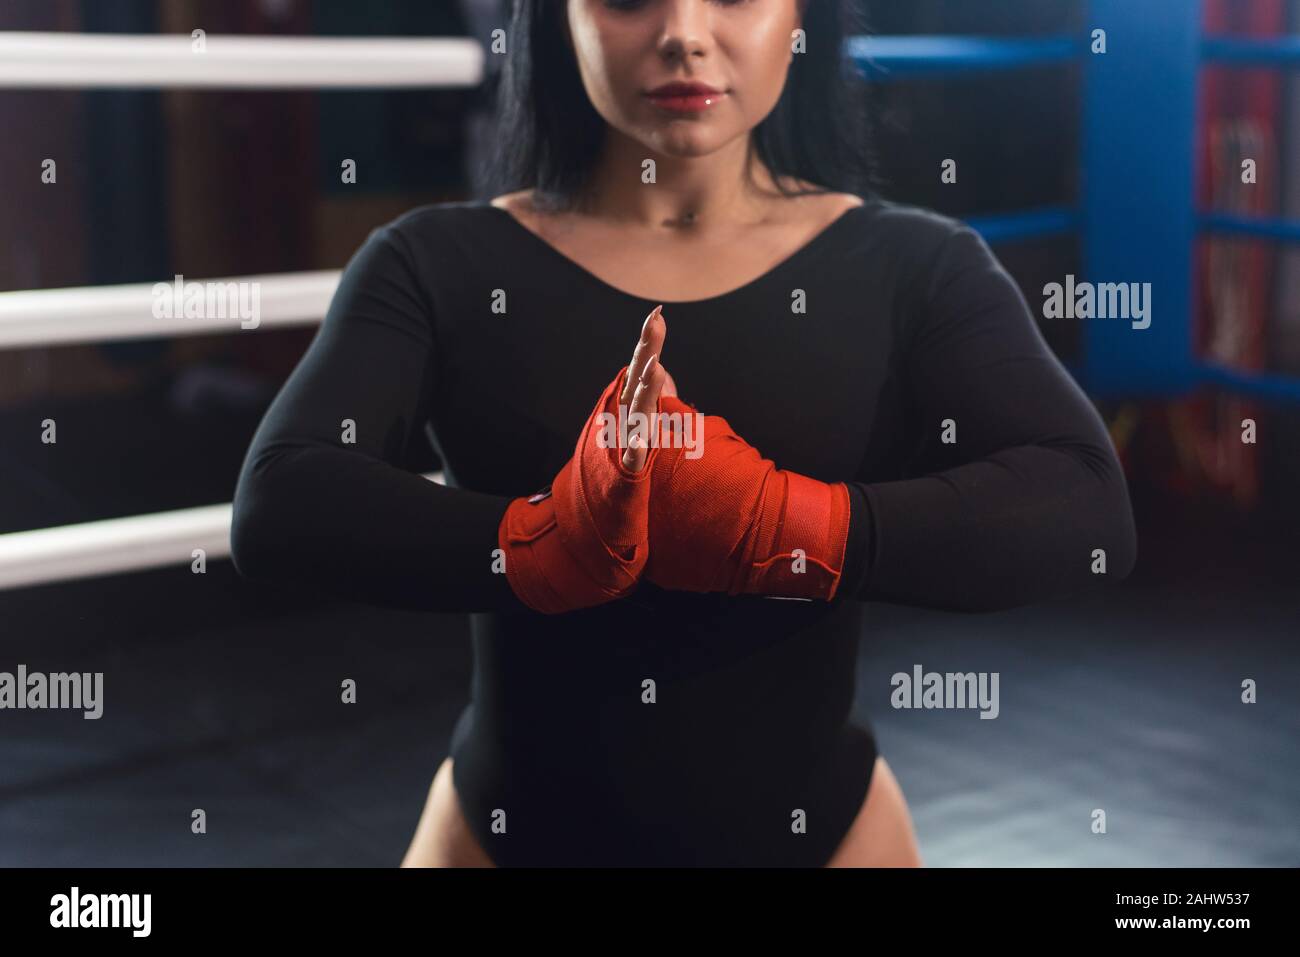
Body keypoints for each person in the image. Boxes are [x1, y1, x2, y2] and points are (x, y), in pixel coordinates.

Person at [230, 0, 1137, 867]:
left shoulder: (917, 264)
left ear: (802, 17)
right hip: (502, 834)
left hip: (826, 837)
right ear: (559, 18)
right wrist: (544, 547)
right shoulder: (433, 262)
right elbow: (281, 500)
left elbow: (1085, 505)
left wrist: (788, 527)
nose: (683, 35)